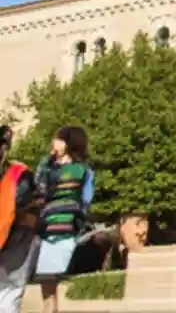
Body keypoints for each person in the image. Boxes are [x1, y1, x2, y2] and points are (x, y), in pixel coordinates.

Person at [33, 126, 94, 313]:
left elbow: (86, 199)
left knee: (54, 279)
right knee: (46, 284)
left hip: (66, 232)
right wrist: (47, 161)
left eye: (58, 139)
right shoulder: (49, 169)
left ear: (69, 143)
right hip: (47, 231)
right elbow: (37, 187)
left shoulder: (81, 171)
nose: (54, 143)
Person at [0, 125, 41, 313]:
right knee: (9, 294)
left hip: (16, 239)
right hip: (17, 238)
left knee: (8, 293)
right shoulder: (19, 173)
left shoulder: (18, 173)